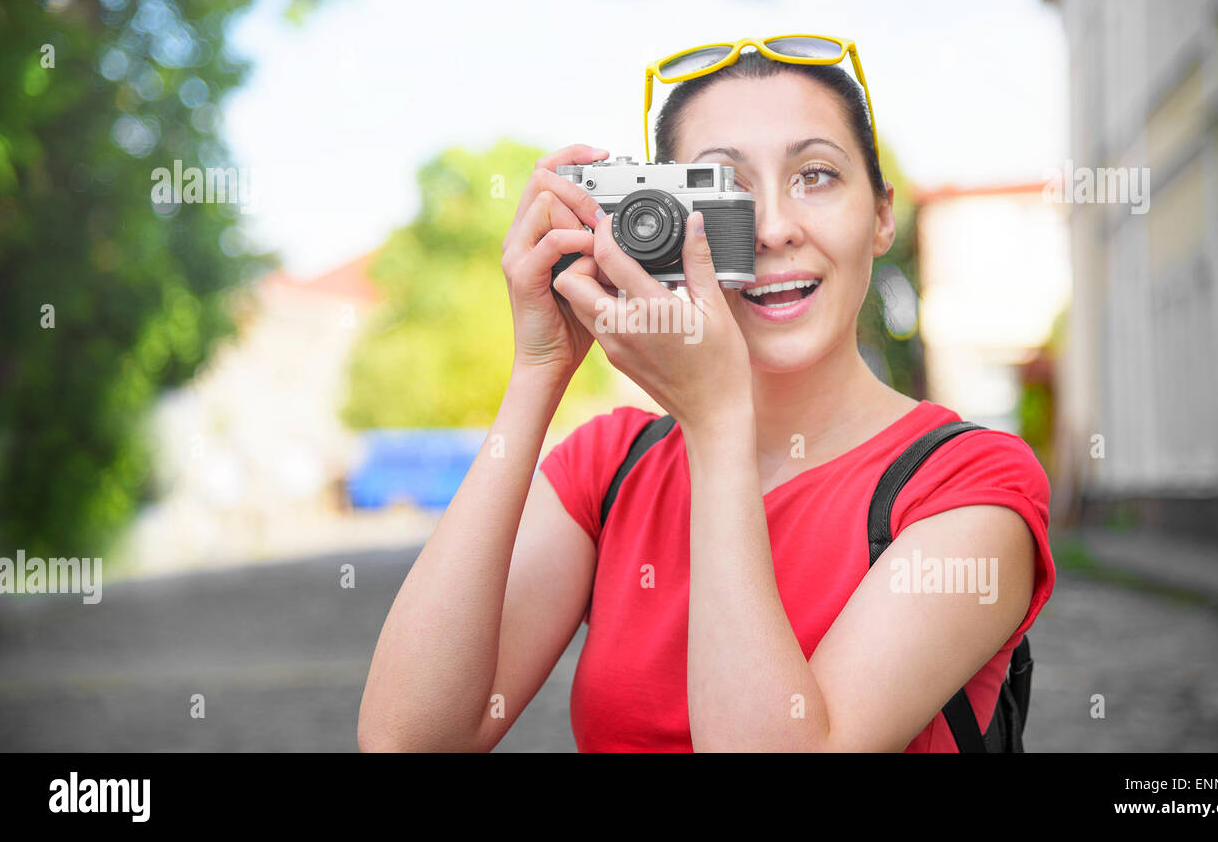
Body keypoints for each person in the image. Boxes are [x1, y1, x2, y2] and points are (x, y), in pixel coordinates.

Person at [358, 37, 1055, 752]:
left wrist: (718, 424)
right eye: (724, 188)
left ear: (881, 217)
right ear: (653, 221)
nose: (774, 227)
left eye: (815, 175)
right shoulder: (611, 466)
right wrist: (540, 367)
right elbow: (408, 739)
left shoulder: (968, 484)